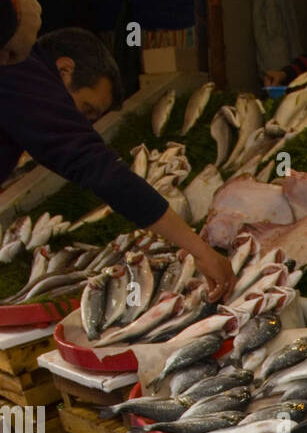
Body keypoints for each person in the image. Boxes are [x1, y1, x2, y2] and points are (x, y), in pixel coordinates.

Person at [0, 27, 234, 301]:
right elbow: (99, 168)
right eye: (86, 109)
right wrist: (200, 249)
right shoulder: (23, 75)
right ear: (64, 70)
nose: (84, 126)